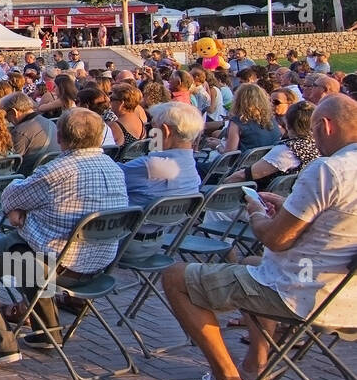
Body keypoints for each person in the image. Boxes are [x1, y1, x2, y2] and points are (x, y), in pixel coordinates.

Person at [162, 94, 357, 380]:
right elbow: (337, 224)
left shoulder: (329, 169)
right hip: (346, 294)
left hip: (305, 293)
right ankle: (255, 369)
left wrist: (256, 213)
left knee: (174, 277)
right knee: (253, 263)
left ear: (325, 125)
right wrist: (286, 209)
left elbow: (276, 240)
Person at [0, 109, 129, 366]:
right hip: (100, 264)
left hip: (58, 265)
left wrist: (20, 213)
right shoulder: (115, 169)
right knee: (22, 245)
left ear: (60, 137)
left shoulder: (57, 170)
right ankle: (46, 331)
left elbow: (9, 197)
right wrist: (24, 215)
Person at [118, 101, 203, 261]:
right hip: (158, 241)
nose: (151, 133)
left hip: (123, 243)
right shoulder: (190, 165)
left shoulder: (152, 165)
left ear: (165, 130)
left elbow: (105, 177)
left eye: (153, 128)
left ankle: (54, 284)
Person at [224, 101, 318, 190]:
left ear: (288, 124)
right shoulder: (318, 145)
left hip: (266, 198)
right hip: (298, 192)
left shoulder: (287, 151)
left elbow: (244, 175)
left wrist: (221, 185)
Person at [221, 84, 280, 154]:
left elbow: (229, 153)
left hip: (243, 163)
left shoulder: (237, 122)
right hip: (266, 159)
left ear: (239, 100)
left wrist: (217, 146)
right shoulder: (272, 119)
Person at [2, 91, 55, 157]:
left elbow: (12, 162)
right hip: (54, 163)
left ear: (14, 112)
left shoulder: (20, 132)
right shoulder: (49, 122)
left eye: (6, 116)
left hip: (34, 166)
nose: (7, 120)